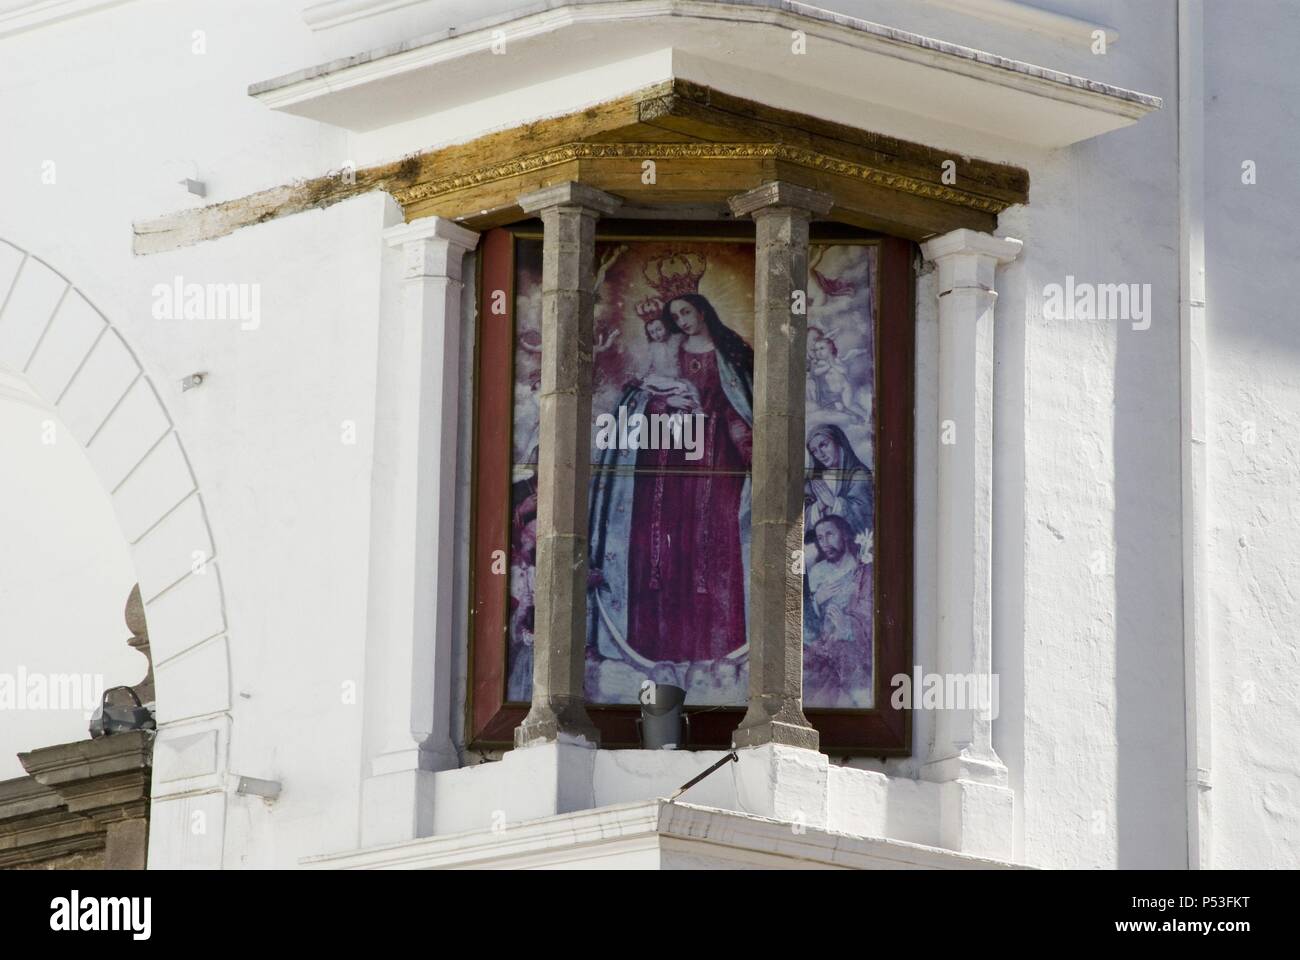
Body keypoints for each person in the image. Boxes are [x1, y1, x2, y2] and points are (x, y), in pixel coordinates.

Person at [588, 291, 754, 688]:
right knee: (664, 550)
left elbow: (740, 406)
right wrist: (665, 405)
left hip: (716, 462)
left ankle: (715, 649)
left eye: (686, 311)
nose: (682, 320)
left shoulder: (731, 353)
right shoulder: (669, 352)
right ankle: (663, 649)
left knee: (712, 548)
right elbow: (645, 398)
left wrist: (744, 446)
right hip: (669, 461)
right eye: (675, 315)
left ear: (702, 309)